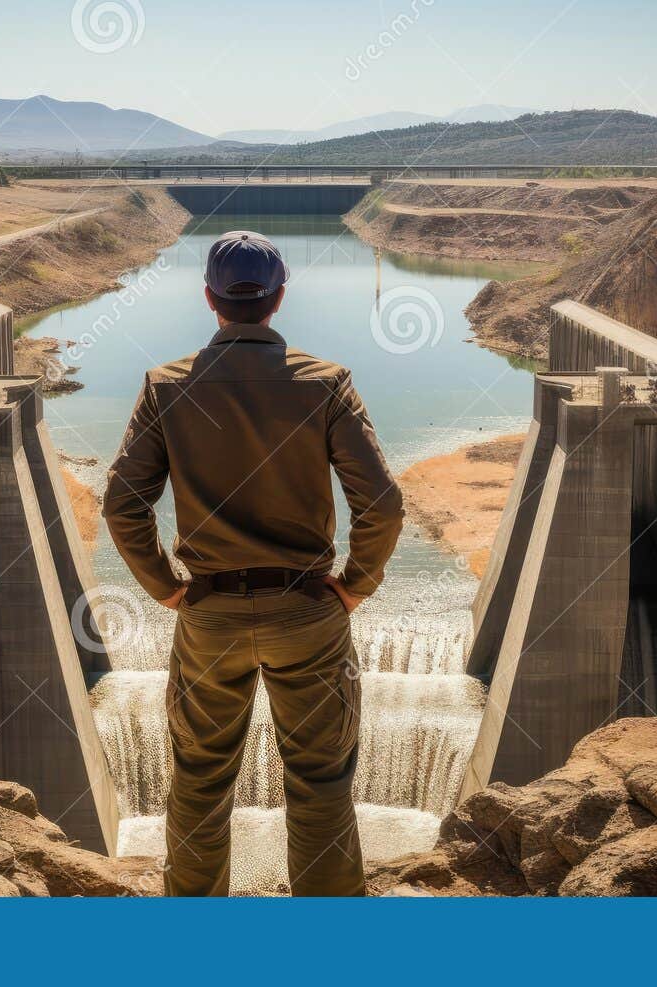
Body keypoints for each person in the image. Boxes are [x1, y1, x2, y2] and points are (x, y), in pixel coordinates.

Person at [102, 229, 403, 897]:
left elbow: (123, 504)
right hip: (308, 612)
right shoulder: (326, 384)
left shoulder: (166, 386)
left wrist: (167, 589)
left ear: (210, 298)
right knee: (321, 783)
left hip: (209, 615)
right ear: (279, 298)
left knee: (200, 780)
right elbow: (382, 504)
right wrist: (354, 586)